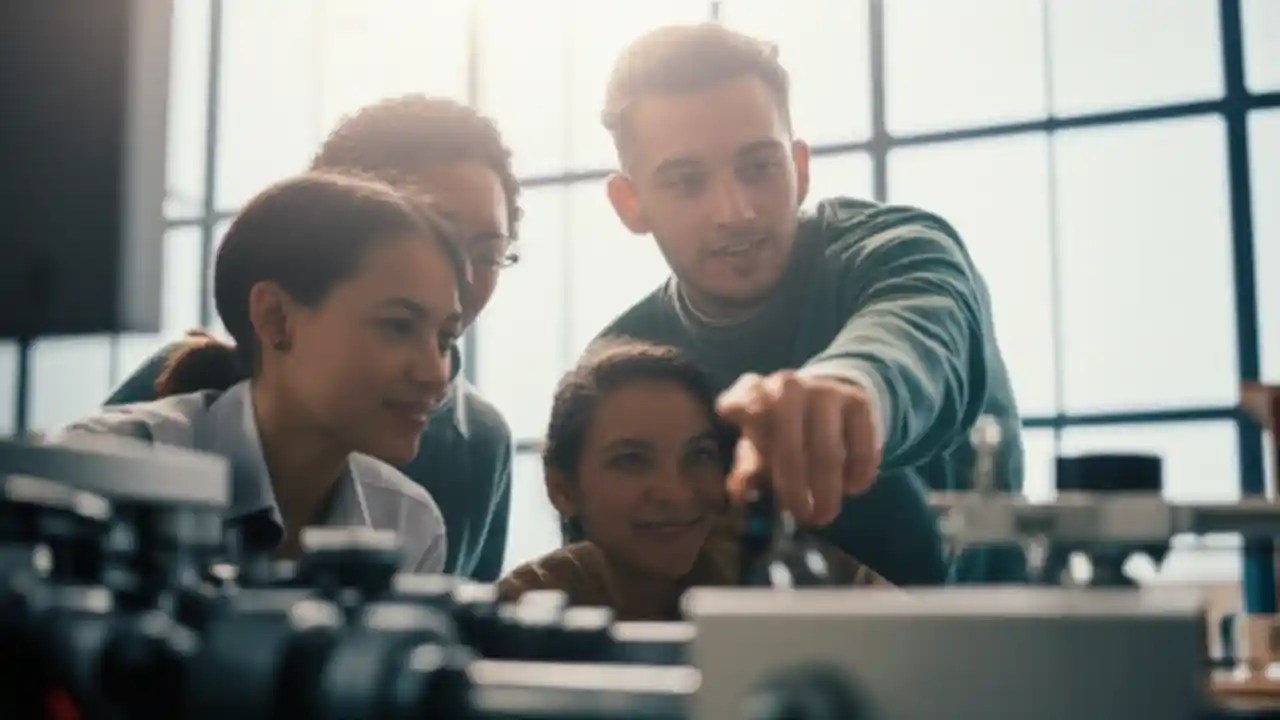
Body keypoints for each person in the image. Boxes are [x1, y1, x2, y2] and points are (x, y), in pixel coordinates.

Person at [592, 24, 1025, 585]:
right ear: (631, 203)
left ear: (798, 168)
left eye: (758, 167)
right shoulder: (616, 369)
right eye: (686, 182)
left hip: (981, 659)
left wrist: (848, 391)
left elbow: (916, 333)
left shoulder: (903, 253)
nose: (735, 211)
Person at [105, 97, 520, 580]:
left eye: (488, 255)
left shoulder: (469, 457)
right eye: (431, 235)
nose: (459, 277)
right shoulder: (152, 425)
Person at [55, 173, 464, 571]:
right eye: (398, 325)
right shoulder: (100, 472)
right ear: (275, 318)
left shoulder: (410, 525)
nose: (435, 374)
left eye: (445, 340)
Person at [498, 339, 888, 620]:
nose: (676, 491)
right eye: (631, 461)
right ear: (562, 489)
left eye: (699, 455)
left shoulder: (791, 574)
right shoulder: (526, 607)